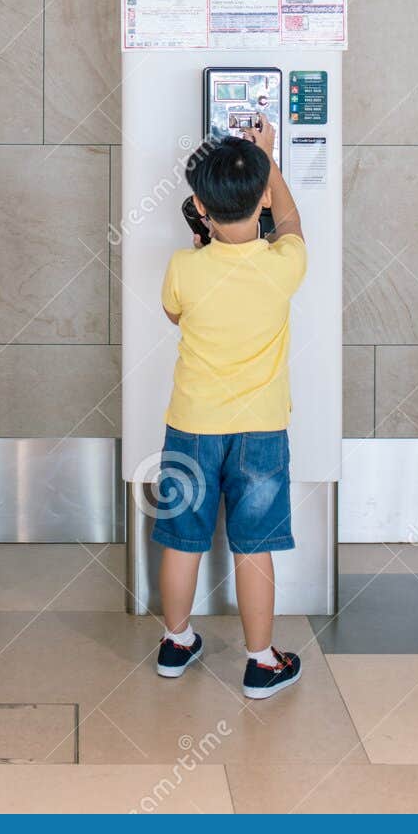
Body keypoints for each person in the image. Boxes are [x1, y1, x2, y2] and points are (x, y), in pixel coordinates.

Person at [153, 115, 306, 699]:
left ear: (199, 205)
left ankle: (176, 642)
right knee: (255, 545)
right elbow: (290, 222)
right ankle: (261, 661)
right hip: (261, 432)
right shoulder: (283, 264)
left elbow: (175, 314)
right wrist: (267, 159)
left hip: (192, 426)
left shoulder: (183, 268)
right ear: (261, 196)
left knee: (181, 537)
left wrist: (203, 252)